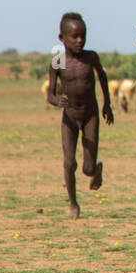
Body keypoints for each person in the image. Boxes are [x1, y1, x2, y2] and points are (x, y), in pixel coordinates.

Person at [47, 13, 113, 218]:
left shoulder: (91, 57)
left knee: (87, 168)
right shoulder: (57, 63)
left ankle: (96, 170)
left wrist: (107, 104)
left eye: (83, 36)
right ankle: (73, 204)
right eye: (74, 36)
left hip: (90, 115)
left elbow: (102, 76)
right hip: (69, 117)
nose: (80, 40)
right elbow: (49, 94)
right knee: (69, 162)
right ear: (62, 38)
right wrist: (57, 100)